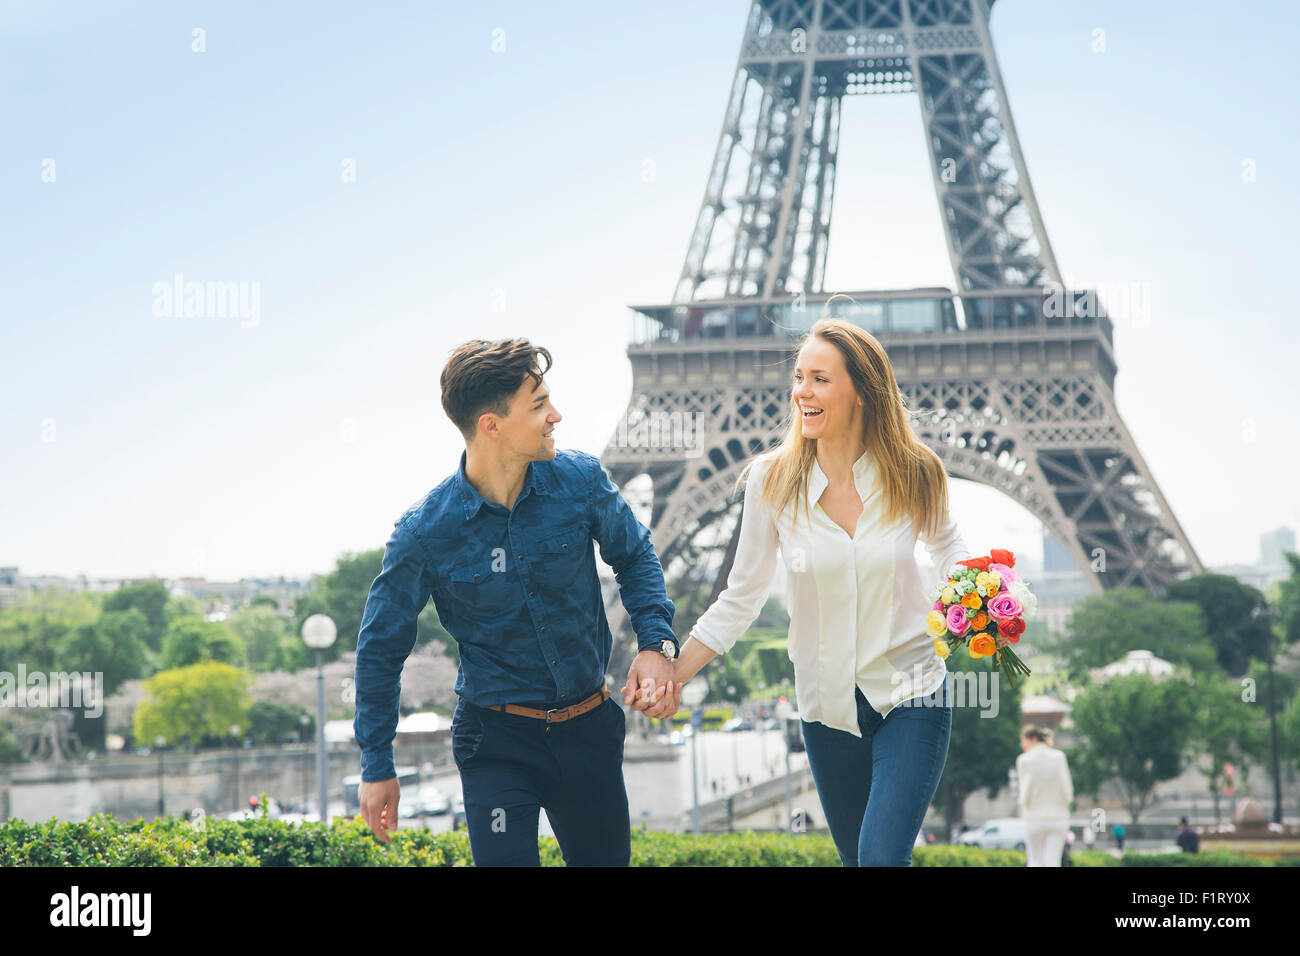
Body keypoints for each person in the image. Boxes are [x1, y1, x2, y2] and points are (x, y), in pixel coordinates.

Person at [628, 317, 972, 866]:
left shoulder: (915, 471)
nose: (801, 392)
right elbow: (740, 597)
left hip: (912, 695)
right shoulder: (772, 480)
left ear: (861, 391)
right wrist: (673, 672)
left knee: (882, 860)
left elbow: (950, 549)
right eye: (798, 377)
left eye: (819, 379)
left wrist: (980, 596)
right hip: (825, 708)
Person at [353, 338, 680, 865]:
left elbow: (636, 554)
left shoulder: (580, 479)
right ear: (492, 425)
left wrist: (655, 644)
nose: (556, 415)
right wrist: (376, 763)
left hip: (588, 730)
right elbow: (379, 649)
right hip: (497, 743)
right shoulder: (422, 533)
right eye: (538, 405)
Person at [1016, 725, 1073, 867]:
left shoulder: (1024, 760)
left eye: (1024, 741)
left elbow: (1024, 792)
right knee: (1053, 861)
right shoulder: (1059, 757)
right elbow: (1067, 788)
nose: (1022, 745)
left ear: (1033, 739)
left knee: (1035, 859)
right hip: (1058, 817)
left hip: (1034, 817)